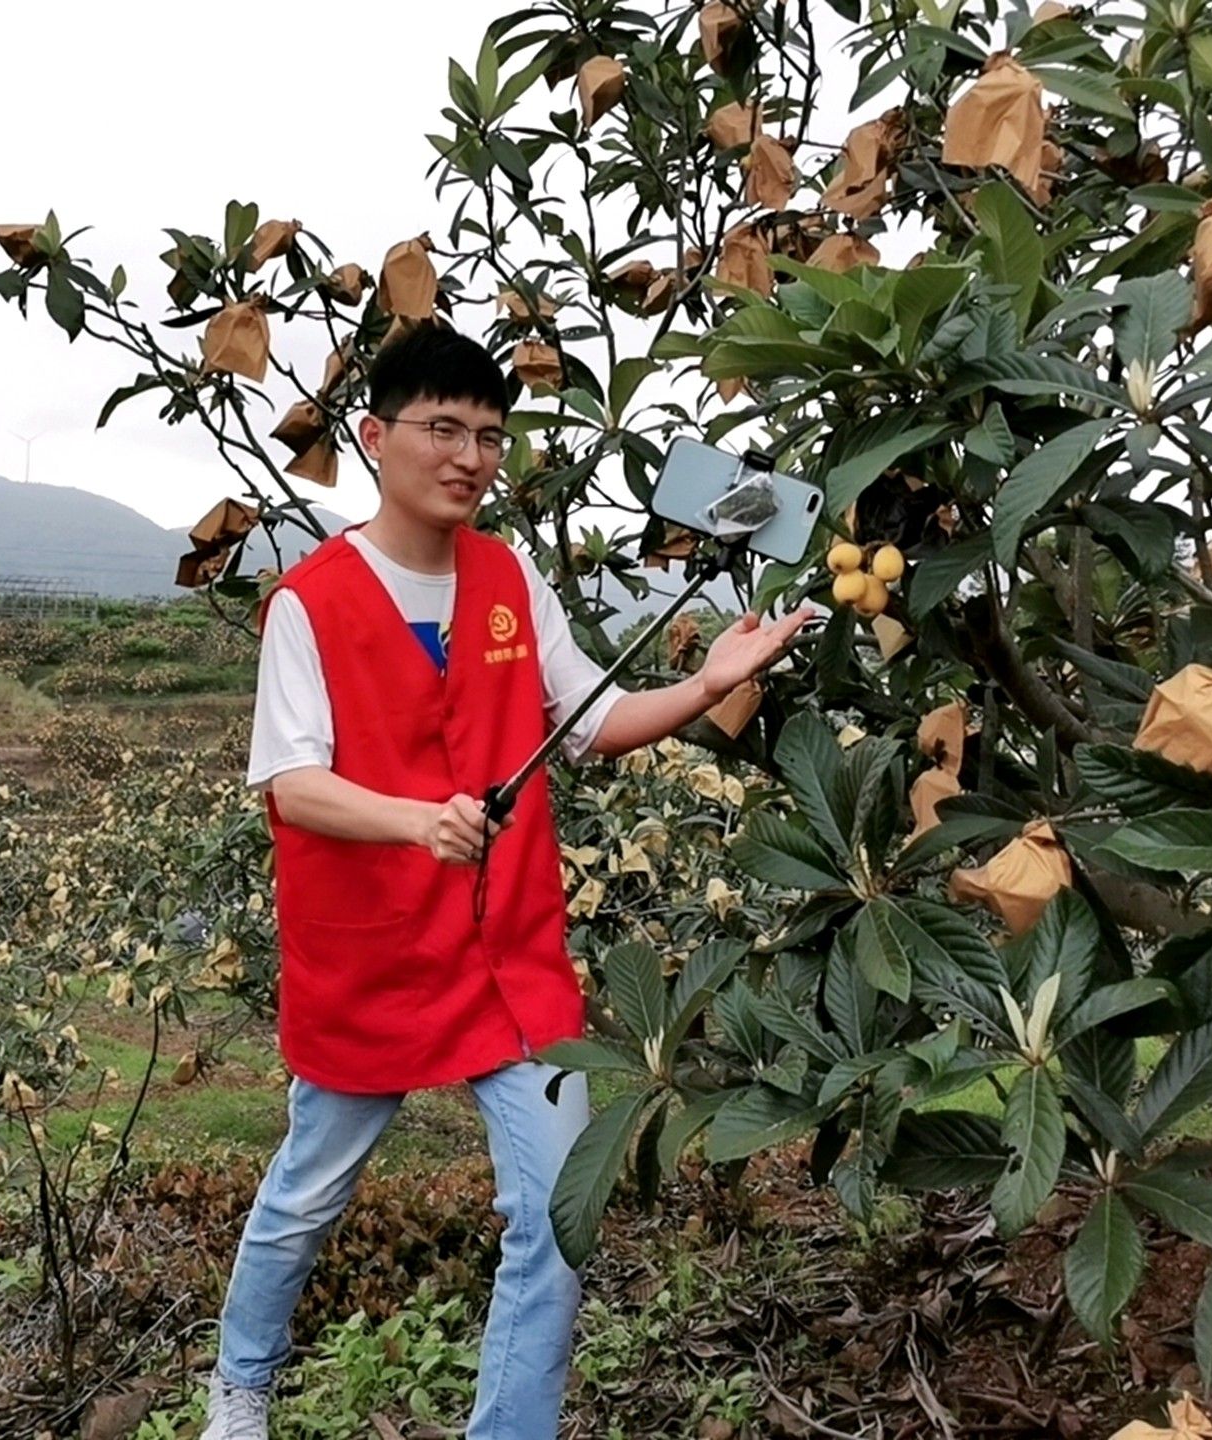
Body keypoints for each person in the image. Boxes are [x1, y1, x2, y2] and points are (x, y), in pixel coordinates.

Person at [202, 324, 810, 1440]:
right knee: (307, 1196)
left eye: (489, 435)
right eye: (443, 429)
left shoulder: (507, 575)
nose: (471, 456)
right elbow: (292, 783)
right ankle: (241, 1384)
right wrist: (412, 822)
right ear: (376, 437)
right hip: (370, 957)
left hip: (508, 956)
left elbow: (588, 723)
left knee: (554, 1208)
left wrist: (711, 680)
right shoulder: (312, 603)